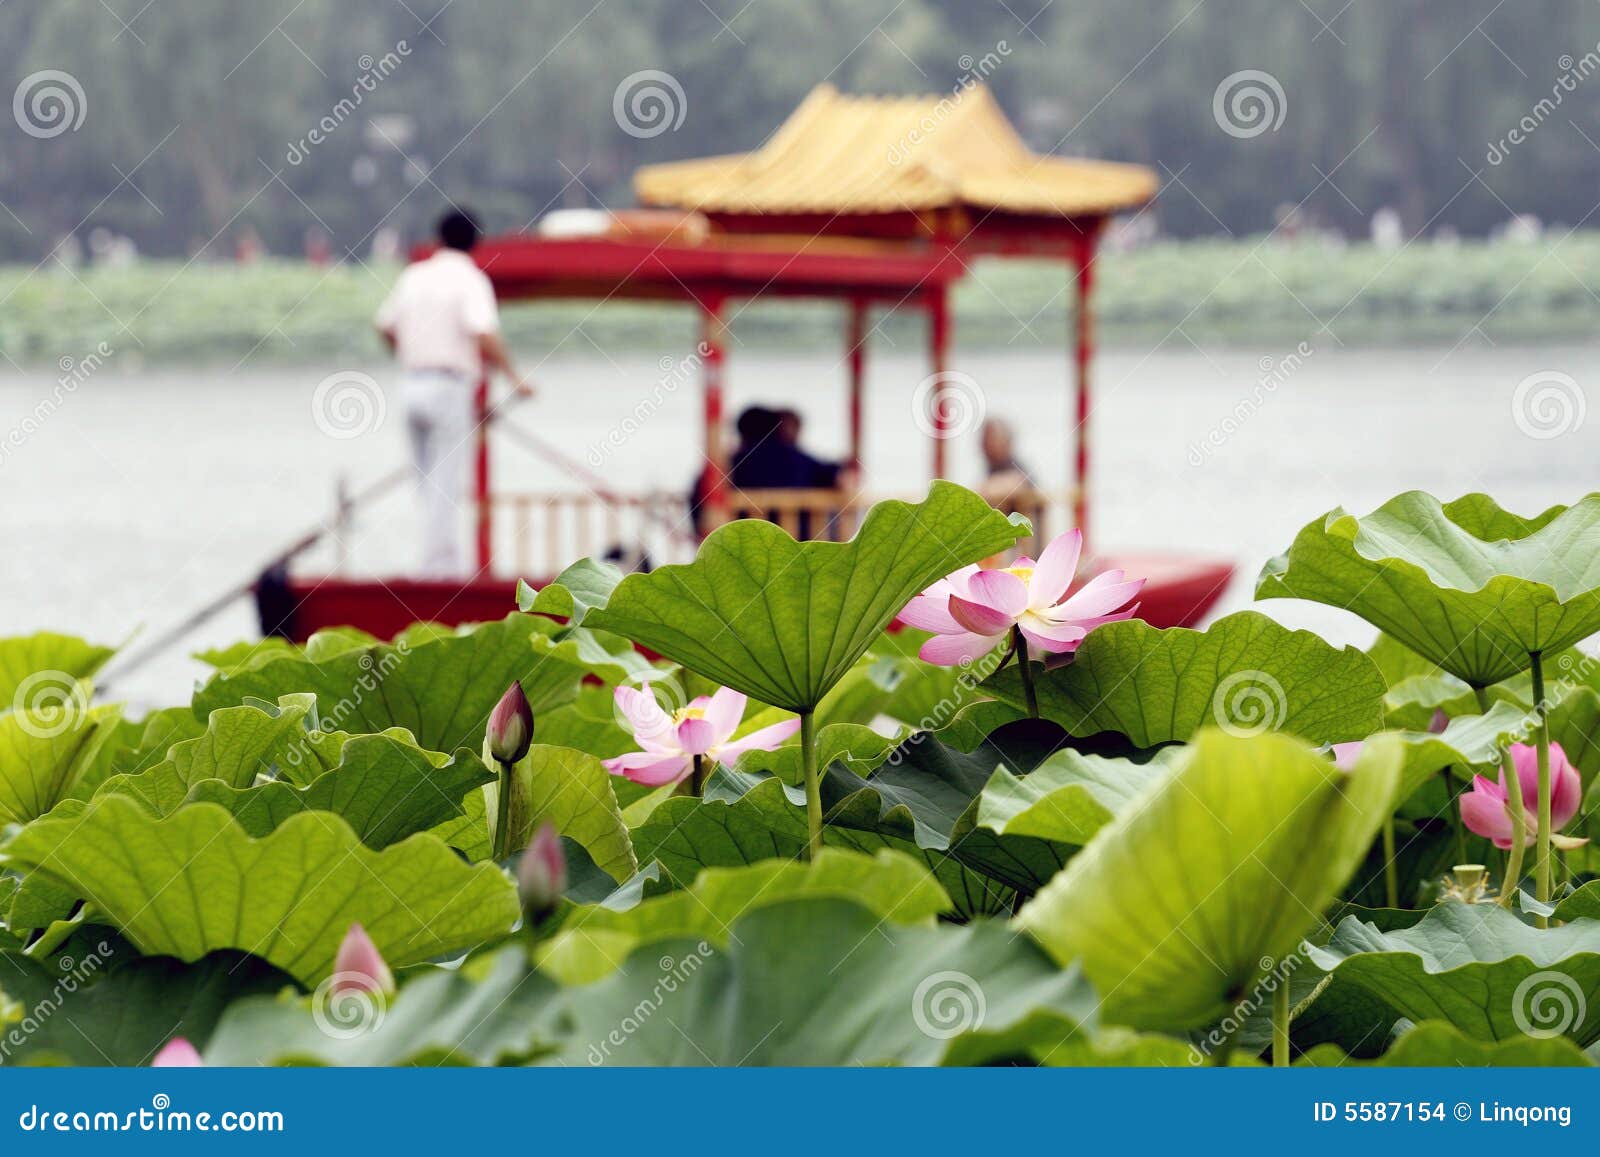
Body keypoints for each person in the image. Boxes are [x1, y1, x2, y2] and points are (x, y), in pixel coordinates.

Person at [375, 208, 532, 577]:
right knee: (445, 481)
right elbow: (482, 332)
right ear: (475, 243)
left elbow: (384, 325)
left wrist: (407, 351)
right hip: (448, 385)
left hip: (411, 383)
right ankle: (440, 571)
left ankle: (434, 562)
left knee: (425, 481)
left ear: (439, 238)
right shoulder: (470, 279)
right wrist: (515, 378)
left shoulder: (414, 275)